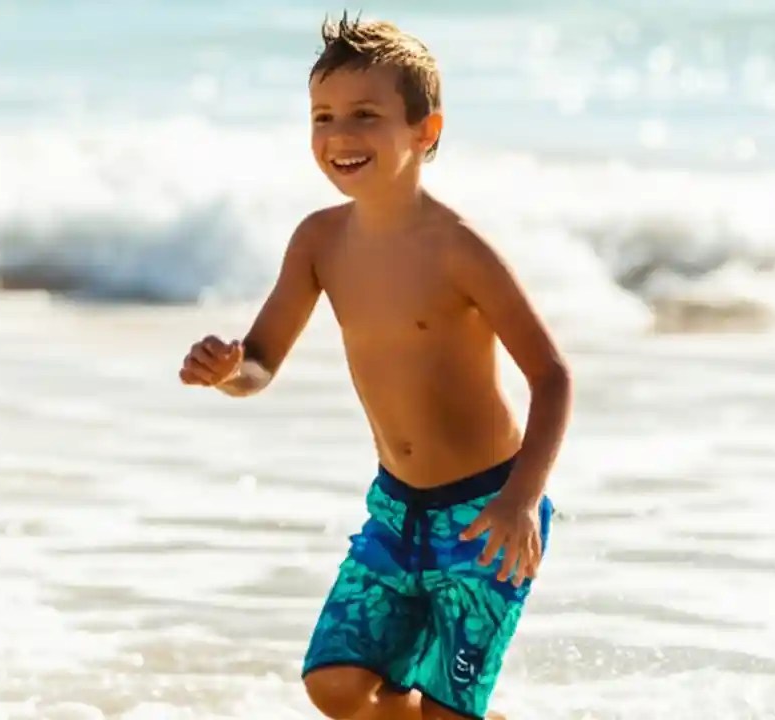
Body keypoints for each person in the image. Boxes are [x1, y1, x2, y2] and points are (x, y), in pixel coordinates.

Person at [178, 12, 571, 720]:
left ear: (426, 131)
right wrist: (228, 370)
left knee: (446, 711)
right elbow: (261, 361)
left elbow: (552, 376)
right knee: (334, 686)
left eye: (365, 115)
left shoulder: (459, 249)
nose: (339, 135)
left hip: (486, 513)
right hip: (395, 509)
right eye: (322, 117)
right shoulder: (318, 242)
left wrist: (520, 501)